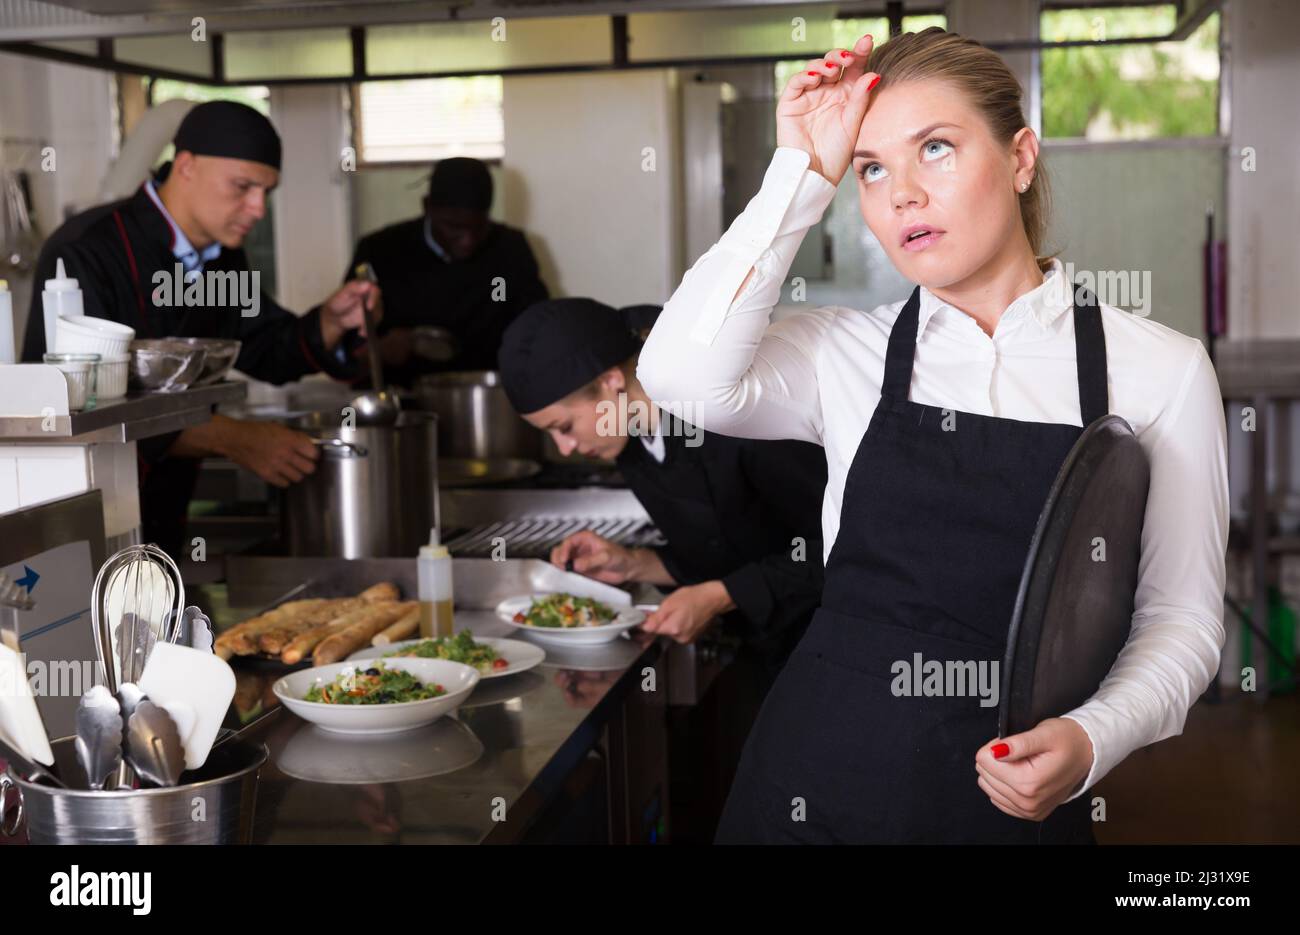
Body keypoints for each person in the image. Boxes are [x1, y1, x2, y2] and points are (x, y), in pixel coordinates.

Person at [638, 29, 1227, 844]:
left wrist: (1095, 736)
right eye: (873, 168)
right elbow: (677, 376)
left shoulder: (1162, 369)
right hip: (812, 784)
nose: (901, 193)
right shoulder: (844, 352)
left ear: (1021, 159)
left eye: (937, 149)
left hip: (1012, 800)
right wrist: (802, 170)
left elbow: (1183, 619)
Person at [22, 101, 378, 555]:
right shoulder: (89, 249)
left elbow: (264, 348)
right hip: (82, 508)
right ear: (186, 166)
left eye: (266, 192)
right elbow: (80, 408)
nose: (257, 209)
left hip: (165, 508)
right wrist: (231, 438)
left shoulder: (219, 254)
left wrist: (332, 319)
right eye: (243, 187)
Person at [347, 156, 549, 385]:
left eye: (479, 228)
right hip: (403, 402)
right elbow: (345, 345)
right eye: (454, 228)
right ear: (427, 207)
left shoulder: (509, 250)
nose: (467, 241)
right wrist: (377, 348)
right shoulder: (381, 252)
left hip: (486, 397)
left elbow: (538, 327)